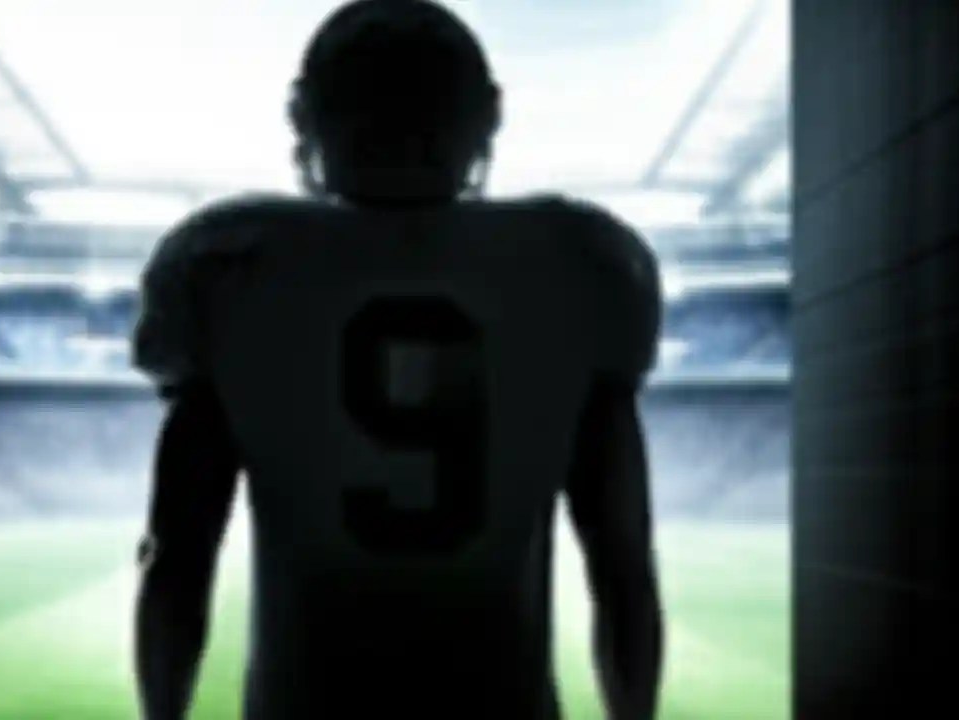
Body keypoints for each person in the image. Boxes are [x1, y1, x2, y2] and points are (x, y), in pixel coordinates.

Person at [131, 1, 664, 718]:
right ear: (484, 117)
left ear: (308, 117)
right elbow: (623, 564)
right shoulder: (578, 261)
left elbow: (177, 560)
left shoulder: (233, 262)